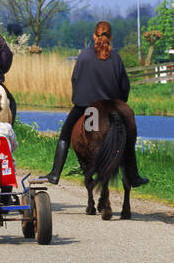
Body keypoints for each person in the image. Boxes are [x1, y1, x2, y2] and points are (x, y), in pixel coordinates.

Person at [45, 20, 148, 188]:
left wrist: (79, 100)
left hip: (86, 107)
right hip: (112, 107)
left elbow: (75, 80)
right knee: (128, 138)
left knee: (65, 134)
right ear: (111, 37)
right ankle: (133, 175)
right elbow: (125, 87)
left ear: (94, 36)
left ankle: (55, 173)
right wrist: (119, 102)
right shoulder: (116, 59)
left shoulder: (84, 55)